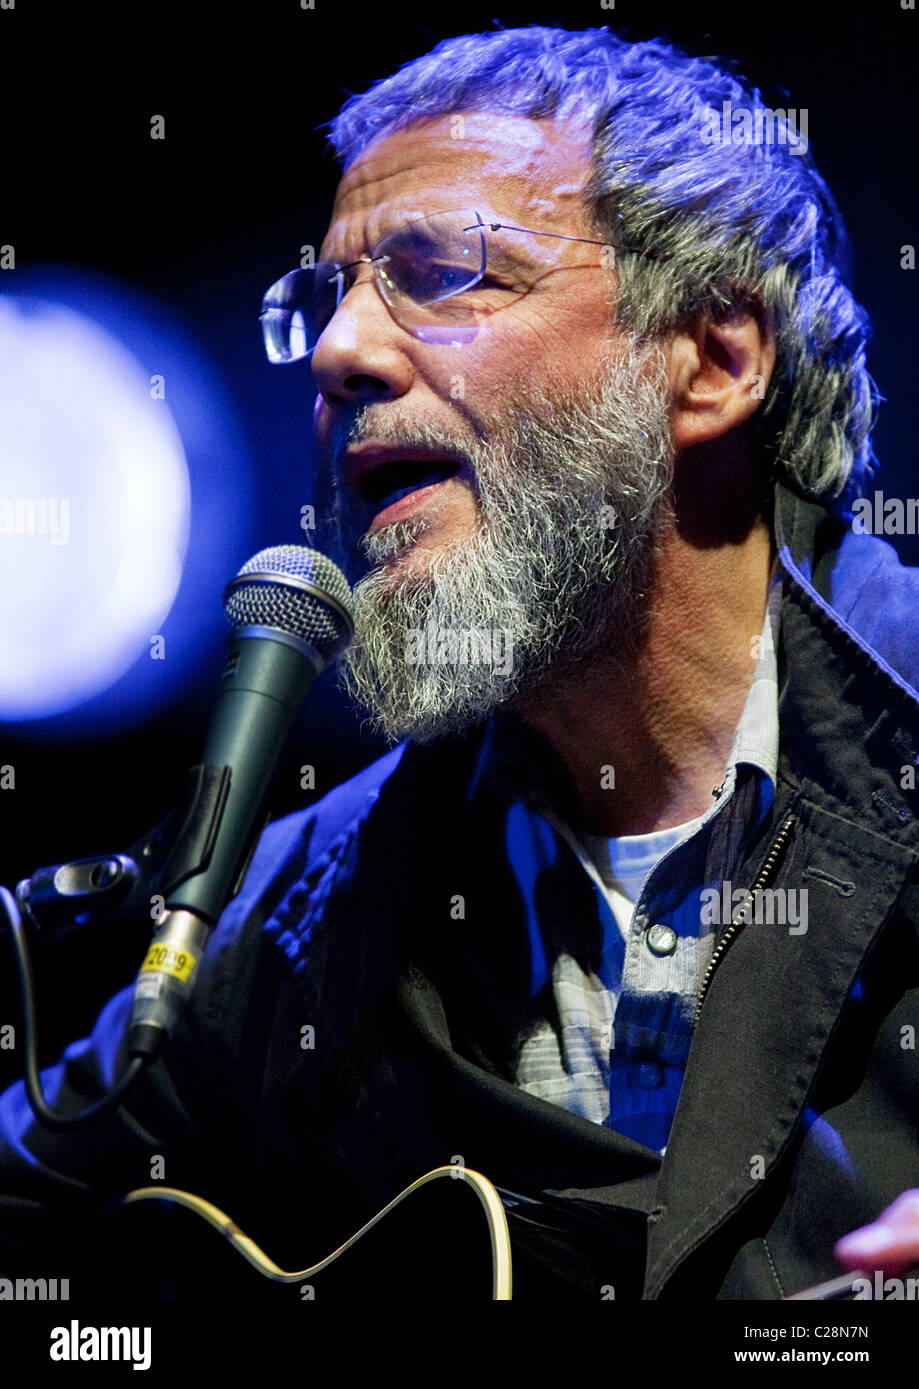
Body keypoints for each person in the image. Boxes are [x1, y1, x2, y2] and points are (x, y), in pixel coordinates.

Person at [1, 24, 918, 1302]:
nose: (338, 354)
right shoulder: (301, 906)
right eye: (323, 303)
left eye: (438, 275)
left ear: (712, 361)